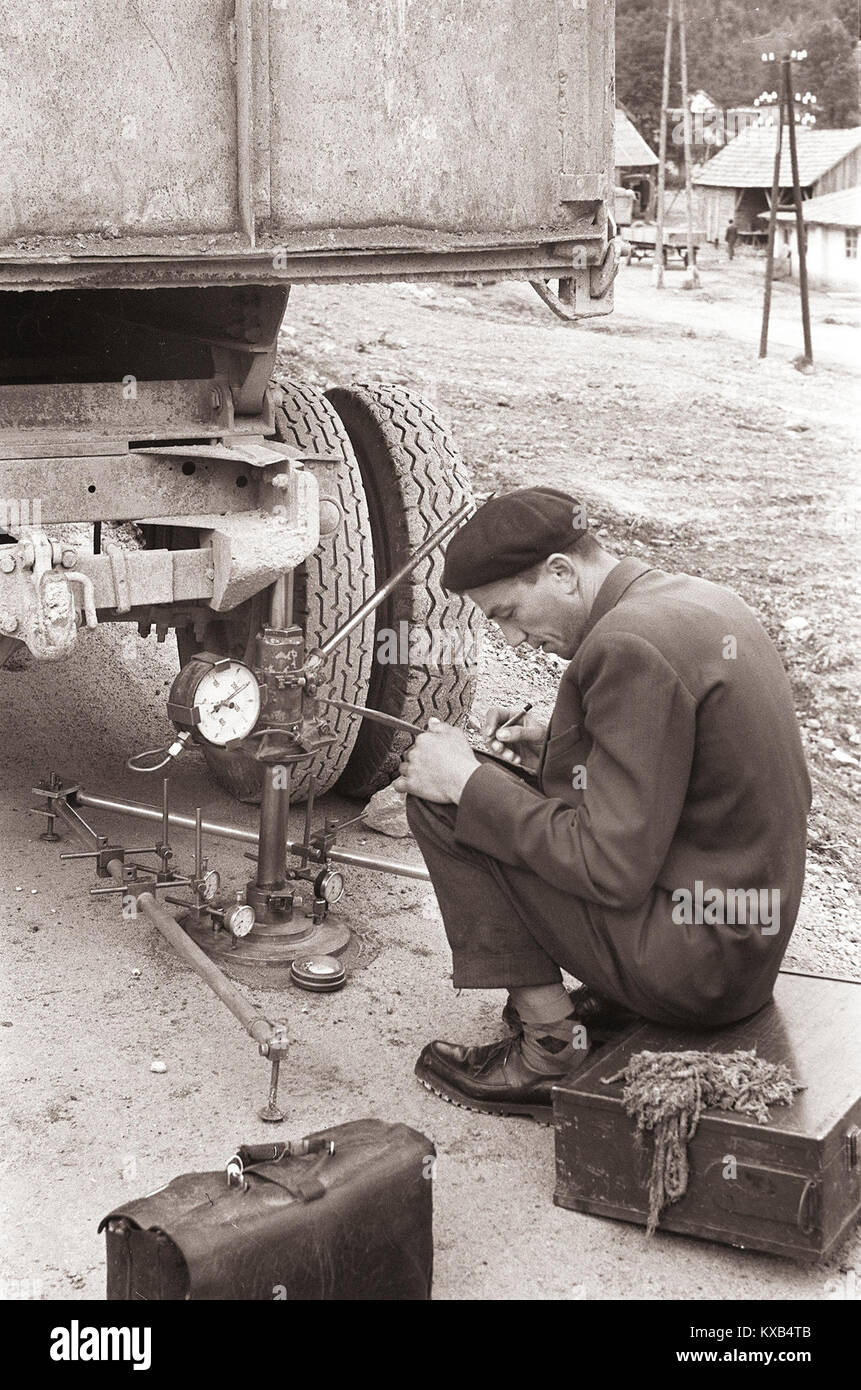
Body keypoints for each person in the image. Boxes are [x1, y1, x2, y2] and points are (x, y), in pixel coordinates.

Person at [395, 487, 811, 1122]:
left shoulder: (627, 644)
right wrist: (558, 754)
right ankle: (611, 1002)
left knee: (445, 803)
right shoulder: (696, 601)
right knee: (485, 788)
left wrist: (466, 784)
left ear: (562, 572)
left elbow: (609, 867)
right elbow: (709, 783)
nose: (512, 638)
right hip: (742, 945)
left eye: (509, 613)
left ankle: (549, 1047)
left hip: (697, 970)